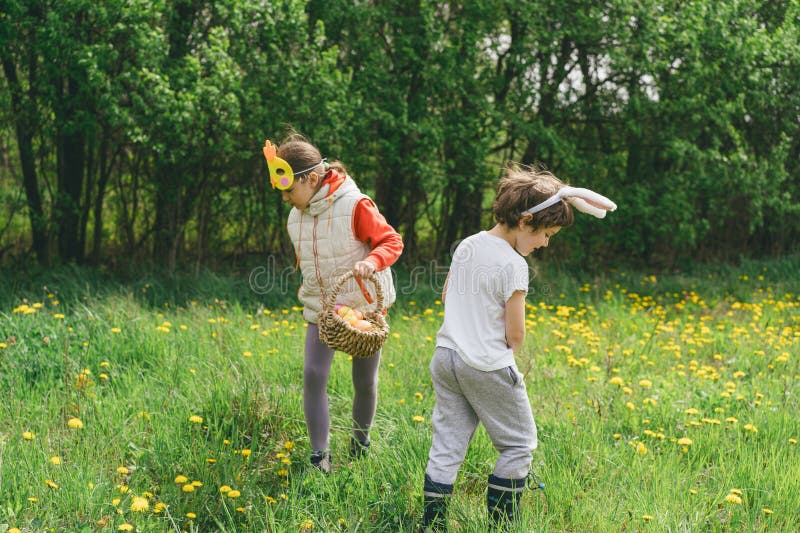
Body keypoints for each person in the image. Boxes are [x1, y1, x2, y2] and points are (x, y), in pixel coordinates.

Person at [421, 165, 616, 531]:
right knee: (518, 445)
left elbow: (447, 294)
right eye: (546, 234)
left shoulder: (468, 244)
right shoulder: (514, 264)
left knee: (448, 444)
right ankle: (502, 525)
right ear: (526, 221)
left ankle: (431, 524)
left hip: (446, 356)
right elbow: (516, 335)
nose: (545, 243)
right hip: (487, 365)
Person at [263, 133, 403, 473]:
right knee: (313, 374)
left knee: (364, 382)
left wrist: (372, 262)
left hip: (363, 308)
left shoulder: (355, 205)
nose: (285, 198)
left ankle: (360, 441)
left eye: (289, 189)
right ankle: (319, 456)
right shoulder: (296, 216)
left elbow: (391, 241)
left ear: (311, 178)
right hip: (323, 309)